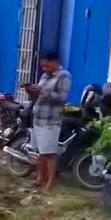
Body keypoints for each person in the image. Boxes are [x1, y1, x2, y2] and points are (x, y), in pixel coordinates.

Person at [26, 51, 72, 190]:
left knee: (49, 152)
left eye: (47, 65)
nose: (44, 69)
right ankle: (40, 177)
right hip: (38, 117)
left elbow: (62, 97)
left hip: (51, 119)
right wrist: (31, 91)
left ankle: (51, 181)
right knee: (40, 151)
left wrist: (42, 90)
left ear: (55, 62)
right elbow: (39, 96)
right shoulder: (45, 76)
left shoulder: (64, 76)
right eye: (43, 66)